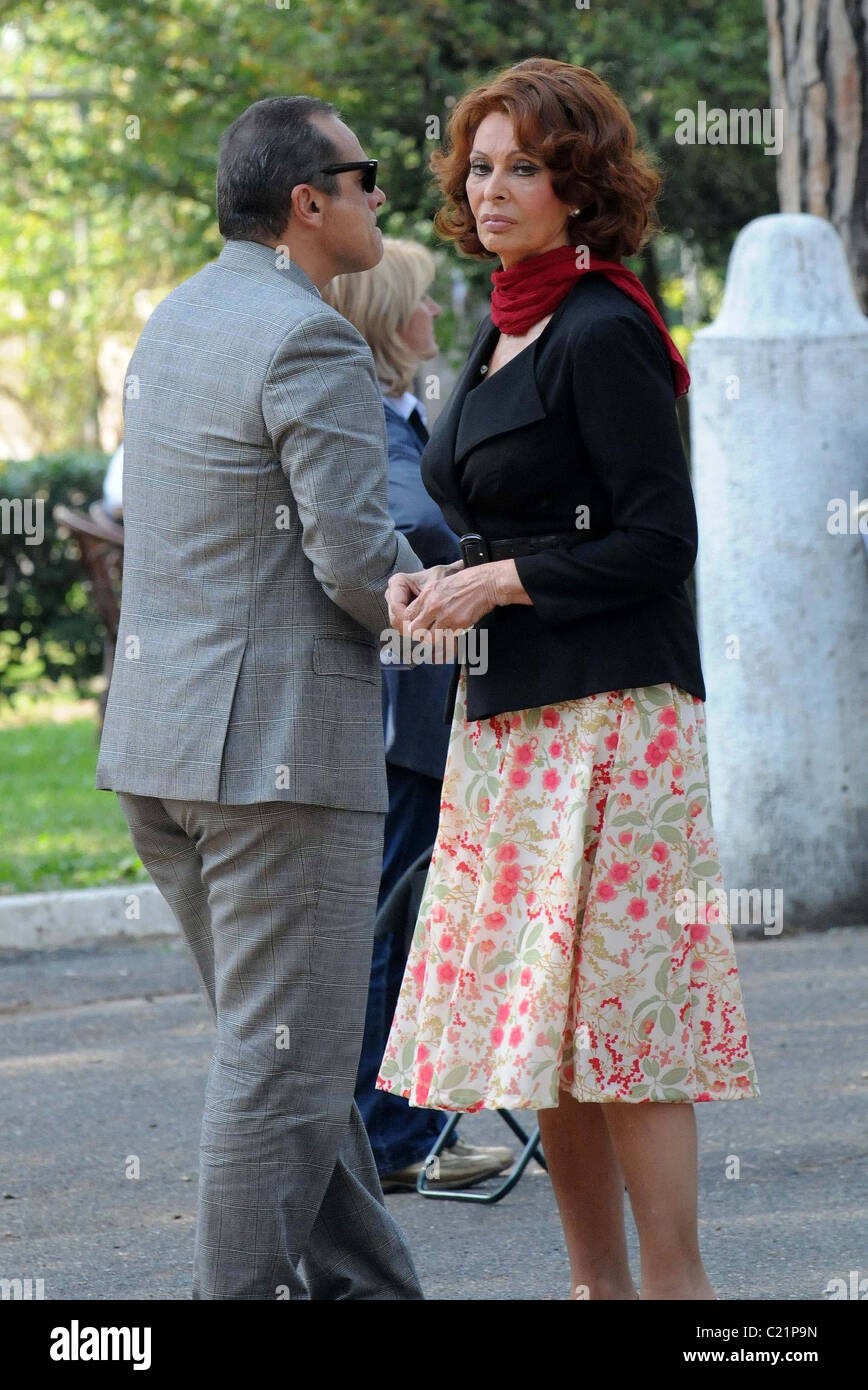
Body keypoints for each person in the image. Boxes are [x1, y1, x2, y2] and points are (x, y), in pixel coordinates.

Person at [376, 57, 760, 1301]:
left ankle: (677, 1295)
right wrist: (433, 579)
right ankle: (594, 1289)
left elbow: (659, 541)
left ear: (578, 187)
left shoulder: (604, 325)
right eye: (479, 165)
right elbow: (492, 512)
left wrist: (500, 585)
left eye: (522, 168)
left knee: (630, 1028)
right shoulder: (504, 321)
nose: (489, 189)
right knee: (540, 1032)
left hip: (615, 716)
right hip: (513, 718)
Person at [95, 95, 432, 1300]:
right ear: (309, 203)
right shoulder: (312, 339)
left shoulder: (179, 318)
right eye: (366, 176)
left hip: (162, 754)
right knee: (283, 1070)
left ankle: (367, 1290)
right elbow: (354, 562)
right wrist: (469, 599)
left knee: (286, 1049)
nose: (379, 199)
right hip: (275, 766)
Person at [321, 238, 513, 1191]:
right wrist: (488, 559)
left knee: (400, 917)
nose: (440, 317)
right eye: (426, 304)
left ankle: (399, 1131)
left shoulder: (396, 413)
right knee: (395, 921)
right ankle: (393, 1139)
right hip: (403, 717)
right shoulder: (375, 421)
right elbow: (408, 528)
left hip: (408, 710)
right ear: (393, 321)